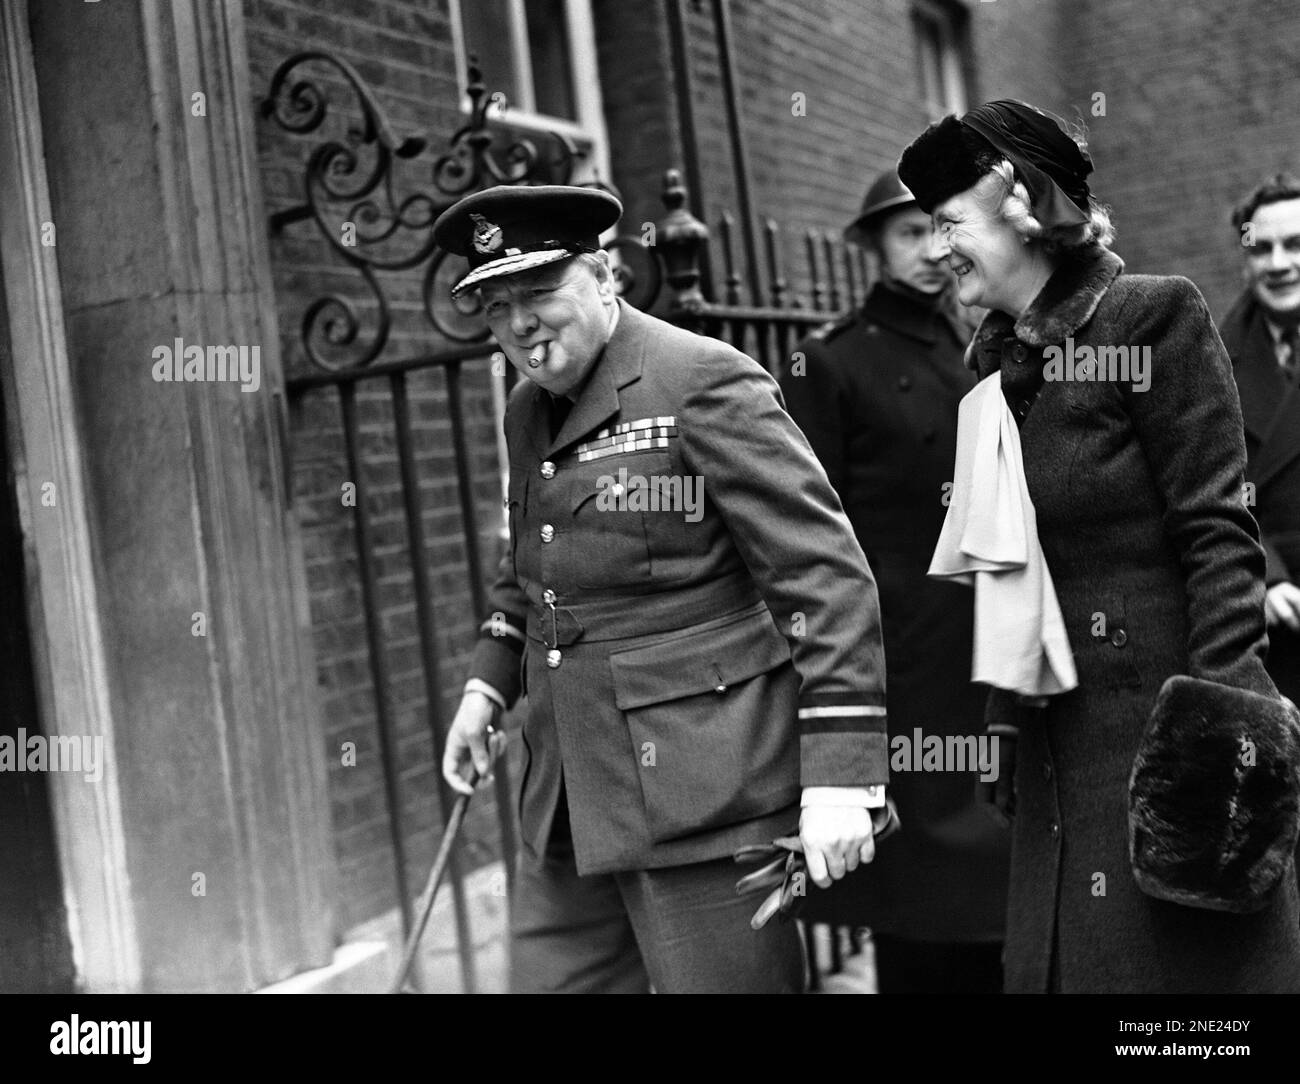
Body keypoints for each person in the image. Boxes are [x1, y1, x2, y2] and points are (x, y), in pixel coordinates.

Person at [432, 184, 893, 994]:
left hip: (704, 799)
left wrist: (842, 777)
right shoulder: (525, 410)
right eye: (496, 305)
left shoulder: (701, 381)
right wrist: (487, 682)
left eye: (540, 292)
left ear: (605, 276)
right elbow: (531, 569)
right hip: (570, 797)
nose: (519, 324)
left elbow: (824, 579)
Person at [898, 99, 1300, 993]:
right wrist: (1003, 724)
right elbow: (1014, 578)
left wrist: (1220, 743)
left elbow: (1217, 526)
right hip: (1056, 758)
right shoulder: (994, 377)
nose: (936, 250)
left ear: (1022, 208)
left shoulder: (1149, 319)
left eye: (949, 223)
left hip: (1162, 744)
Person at [780, 169, 1008, 993]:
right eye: (907, 233)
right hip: (902, 659)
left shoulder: (981, 342)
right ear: (873, 247)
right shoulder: (829, 360)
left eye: (939, 231)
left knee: (1004, 891)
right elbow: (806, 536)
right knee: (924, 904)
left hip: (990, 644)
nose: (928, 250)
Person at [1221, 173, 1300, 707]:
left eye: (1294, 245)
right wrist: (1267, 578)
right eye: (1261, 248)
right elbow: (1212, 484)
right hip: (1277, 615)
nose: (1277, 264)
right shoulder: (1212, 358)